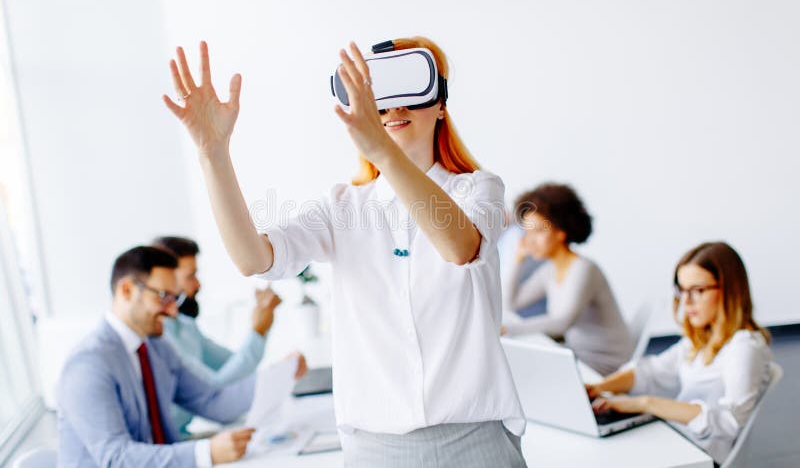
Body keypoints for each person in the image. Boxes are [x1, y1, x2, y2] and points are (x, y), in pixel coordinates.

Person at [162, 37, 526, 467]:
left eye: (410, 92)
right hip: (374, 451)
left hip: (474, 445)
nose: (394, 109)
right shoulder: (341, 208)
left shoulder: (478, 189)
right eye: (381, 100)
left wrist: (383, 152)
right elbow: (253, 259)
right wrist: (213, 154)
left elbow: (460, 247)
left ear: (441, 104)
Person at [58, 246, 256, 467]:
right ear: (127, 290)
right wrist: (205, 454)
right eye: (163, 297)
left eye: (175, 298)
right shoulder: (88, 364)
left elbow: (212, 401)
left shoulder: (157, 348)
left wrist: (273, 380)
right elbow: (116, 458)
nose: (172, 311)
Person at [586, 242, 773, 465]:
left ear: (729, 290)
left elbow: (729, 421)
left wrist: (645, 403)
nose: (686, 301)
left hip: (701, 455)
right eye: (682, 290)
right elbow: (651, 372)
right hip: (679, 437)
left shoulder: (744, 347)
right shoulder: (701, 339)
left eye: (698, 290)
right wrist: (601, 387)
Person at [152, 236, 303, 438]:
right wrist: (257, 331)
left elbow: (234, 367)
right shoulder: (159, 338)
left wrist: (264, 330)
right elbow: (215, 388)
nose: (197, 285)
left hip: (184, 436)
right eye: (190, 276)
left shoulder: (186, 327)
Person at [503, 183, 633, 375]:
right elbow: (511, 304)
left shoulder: (584, 268)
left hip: (604, 364)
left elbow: (561, 322)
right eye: (527, 232)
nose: (529, 241)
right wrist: (517, 260)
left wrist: (507, 329)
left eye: (538, 231)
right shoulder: (549, 270)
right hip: (579, 356)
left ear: (560, 232)